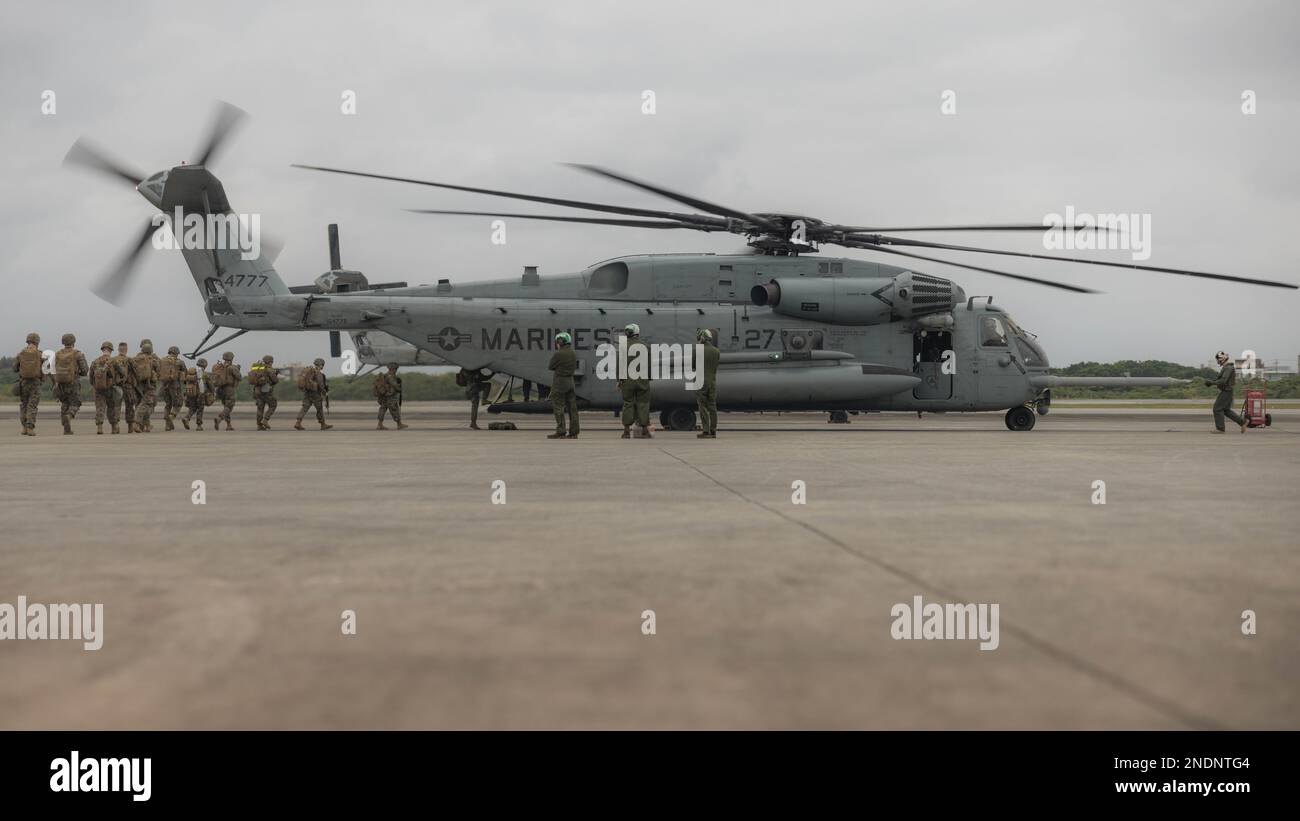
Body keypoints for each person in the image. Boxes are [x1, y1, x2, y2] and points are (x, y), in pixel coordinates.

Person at [617, 323, 652, 438]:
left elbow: (620, 365)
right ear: (638, 332)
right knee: (643, 404)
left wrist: (619, 380)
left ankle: (626, 430)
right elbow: (649, 365)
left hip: (628, 381)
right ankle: (645, 430)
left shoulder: (622, 347)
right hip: (642, 380)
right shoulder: (645, 346)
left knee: (628, 404)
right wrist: (648, 378)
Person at [51, 333, 89, 435]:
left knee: (65, 404)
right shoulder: (77, 354)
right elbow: (85, 370)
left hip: (61, 383)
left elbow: (53, 369)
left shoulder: (57, 354)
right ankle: (69, 416)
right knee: (75, 403)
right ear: (73, 342)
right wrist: (79, 373)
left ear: (63, 342)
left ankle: (66, 428)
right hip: (73, 382)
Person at [12, 332, 45, 436]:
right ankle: (30, 428)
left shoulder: (21, 353)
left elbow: (14, 368)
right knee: (32, 405)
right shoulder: (40, 354)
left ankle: (24, 428)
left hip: (23, 383)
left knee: (24, 405)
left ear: (27, 340)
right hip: (35, 383)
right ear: (37, 342)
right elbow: (45, 369)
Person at [547, 332, 579, 439]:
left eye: (557, 342)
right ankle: (574, 432)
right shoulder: (573, 353)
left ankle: (561, 431)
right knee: (572, 408)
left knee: (558, 407)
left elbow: (550, 366)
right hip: (571, 382)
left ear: (561, 342)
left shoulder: (558, 354)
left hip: (560, 382)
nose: (556, 344)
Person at [1207, 350, 1247, 434]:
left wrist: (1212, 383)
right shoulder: (1226, 367)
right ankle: (1242, 422)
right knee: (1226, 410)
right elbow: (1220, 379)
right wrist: (1211, 382)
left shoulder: (1228, 368)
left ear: (1222, 359)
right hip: (1227, 391)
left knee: (1217, 409)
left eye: (1218, 359)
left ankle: (1220, 429)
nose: (1218, 361)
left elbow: (1223, 380)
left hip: (1226, 391)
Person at [89, 341, 121, 434]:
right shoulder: (114, 361)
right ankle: (114, 427)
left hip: (98, 389)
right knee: (111, 408)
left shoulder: (95, 362)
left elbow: (91, 376)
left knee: (100, 407)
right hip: (110, 388)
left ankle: (100, 427)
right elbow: (122, 373)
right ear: (111, 350)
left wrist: (95, 385)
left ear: (102, 349)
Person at [295, 357, 333, 430]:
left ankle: (298, 423)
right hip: (315, 394)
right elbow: (321, 385)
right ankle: (323, 424)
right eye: (322, 364)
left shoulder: (310, 371)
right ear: (321, 365)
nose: (323, 366)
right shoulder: (318, 373)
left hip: (307, 393)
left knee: (304, 408)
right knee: (319, 409)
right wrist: (325, 393)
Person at [695, 328, 720, 439]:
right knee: (712, 407)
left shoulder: (698, 350)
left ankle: (706, 431)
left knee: (702, 406)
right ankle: (713, 430)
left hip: (701, 381)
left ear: (702, 338)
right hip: (712, 381)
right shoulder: (716, 351)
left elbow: (693, 365)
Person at [132, 339, 161, 433]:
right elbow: (159, 370)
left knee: (141, 404)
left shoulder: (137, 358)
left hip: (138, 385)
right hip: (150, 385)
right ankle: (136, 423)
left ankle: (147, 425)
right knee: (146, 404)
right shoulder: (154, 359)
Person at [158, 345, 187, 431]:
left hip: (164, 386)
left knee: (168, 404)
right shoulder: (180, 362)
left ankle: (167, 425)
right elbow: (185, 372)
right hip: (175, 385)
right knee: (178, 404)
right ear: (177, 353)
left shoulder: (162, 360)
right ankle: (172, 416)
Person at [248, 354, 280, 430]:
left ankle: (259, 425)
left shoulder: (258, 368)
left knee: (260, 408)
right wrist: (276, 374)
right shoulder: (269, 369)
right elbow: (275, 380)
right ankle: (265, 420)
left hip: (257, 391)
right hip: (266, 392)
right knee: (273, 405)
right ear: (271, 362)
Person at [211, 351, 242, 430]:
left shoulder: (219, 366)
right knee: (229, 406)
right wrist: (238, 369)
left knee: (226, 407)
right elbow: (239, 377)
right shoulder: (232, 367)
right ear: (231, 358)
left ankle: (229, 425)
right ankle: (219, 419)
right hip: (229, 389)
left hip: (220, 389)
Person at [182, 358, 214, 430]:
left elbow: (184, 382)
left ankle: (186, 418)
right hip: (201, 394)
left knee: (192, 408)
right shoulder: (204, 374)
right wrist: (213, 392)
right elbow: (211, 386)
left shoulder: (190, 373)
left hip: (190, 393)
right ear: (205, 365)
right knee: (200, 409)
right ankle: (199, 425)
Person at [113, 342, 138, 433]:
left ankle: (115, 426)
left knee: (116, 406)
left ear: (118, 349)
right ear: (126, 349)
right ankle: (130, 427)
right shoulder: (130, 360)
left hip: (116, 387)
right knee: (130, 406)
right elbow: (136, 373)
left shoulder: (113, 360)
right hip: (128, 386)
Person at [374, 363, 407, 430]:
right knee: (394, 409)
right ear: (393, 369)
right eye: (395, 369)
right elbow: (394, 385)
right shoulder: (390, 377)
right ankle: (399, 424)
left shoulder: (385, 375)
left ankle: (379, 425)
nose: (396, 370)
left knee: (383, 409)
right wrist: (399, 389)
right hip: (390, 396)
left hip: (384, 396)